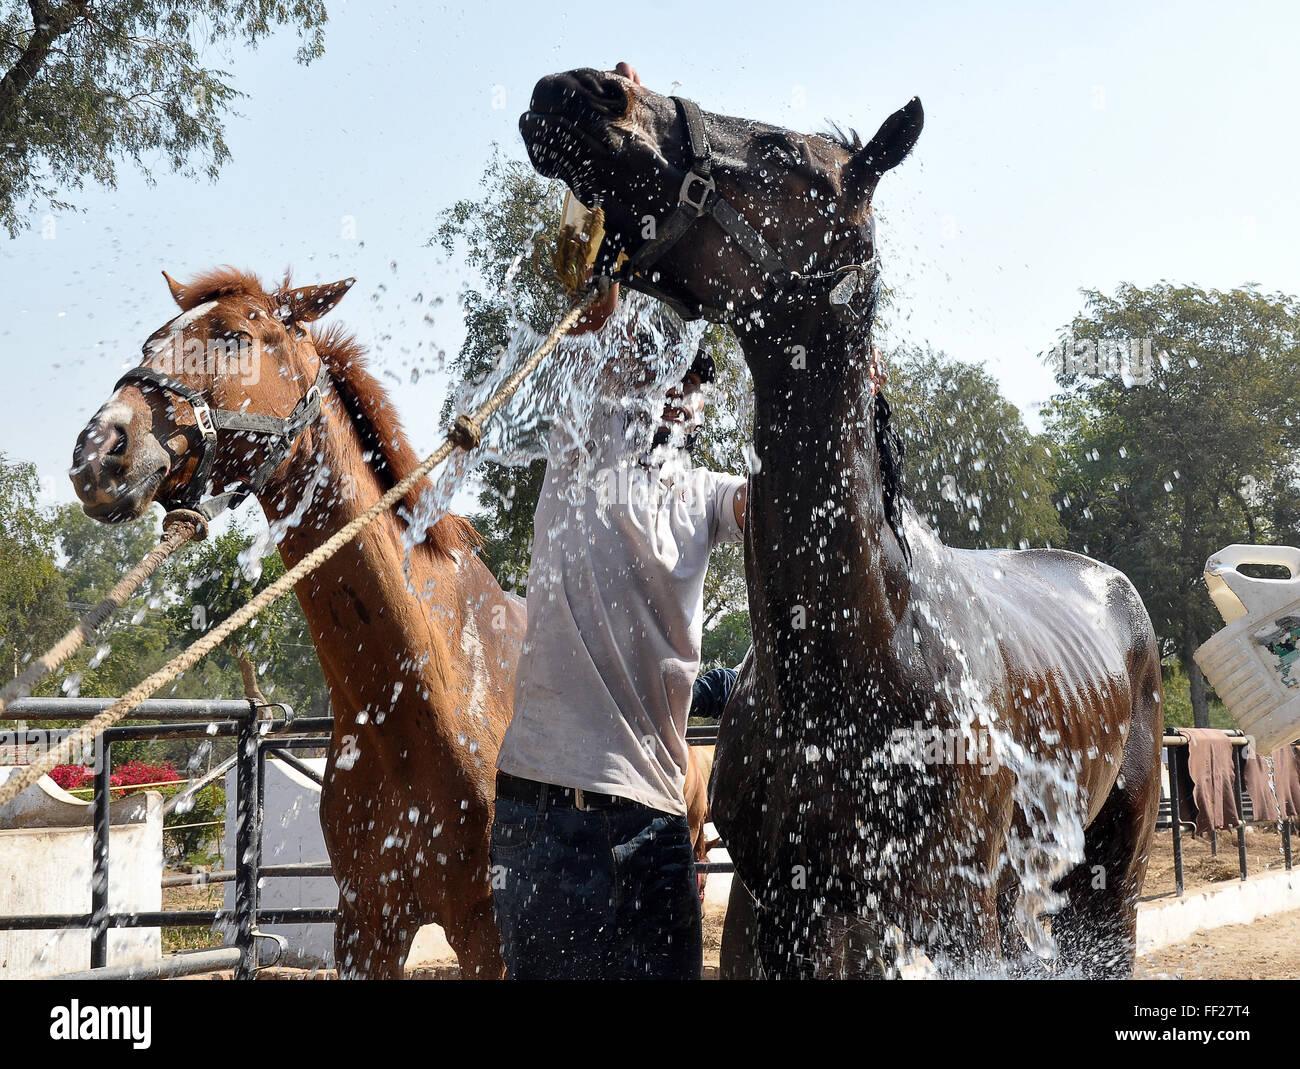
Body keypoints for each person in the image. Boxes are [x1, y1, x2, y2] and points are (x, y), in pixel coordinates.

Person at [490, 268, 747, 980]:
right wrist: (609, 271)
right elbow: (591, 309)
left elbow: (780, 505)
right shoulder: (578, 445)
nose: (675, 395)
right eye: (662, 372)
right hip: (541, 816)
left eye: (691, 384)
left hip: (656, 826)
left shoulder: (708, 497)